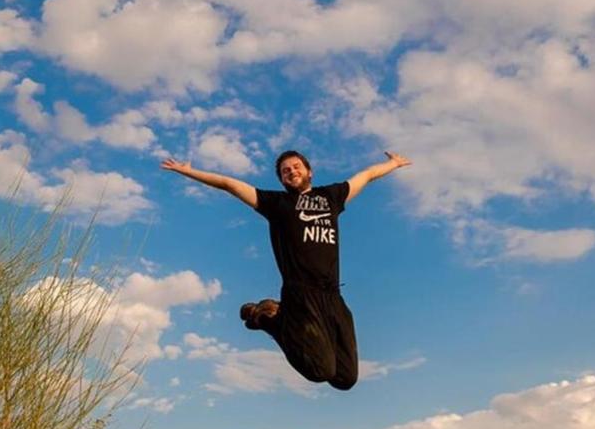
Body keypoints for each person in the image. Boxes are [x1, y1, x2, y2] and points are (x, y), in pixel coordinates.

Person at [160, 149, 411, 390]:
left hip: (333, 295)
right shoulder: (276, 204)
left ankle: (279, 320)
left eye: (296, 167)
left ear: (309, 172)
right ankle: (273, 320)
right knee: (319, 371)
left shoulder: (331, 196)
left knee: (345, 378)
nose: (291, 172)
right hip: (300, 295)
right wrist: (189, 172)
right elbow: (230, 184)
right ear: (282, 179)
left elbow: (365, 176)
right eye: (285, 171)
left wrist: (393, 164)